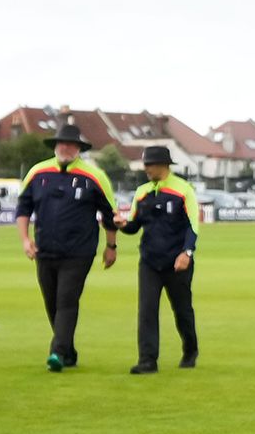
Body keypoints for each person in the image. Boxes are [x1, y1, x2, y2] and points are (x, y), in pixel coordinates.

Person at [15, 123, 118, 372]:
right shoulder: (37, 173)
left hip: (78, 251)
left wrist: (111, 246)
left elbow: (109, 215)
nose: (66, 147)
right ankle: (68, 351)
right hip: (45, 250)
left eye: (71, 144)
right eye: (62, 143)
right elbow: (23, 209)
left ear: (79, 149)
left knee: (66, 300)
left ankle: (57, 353)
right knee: (52, 302)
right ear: (55, 146)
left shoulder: (95, 176)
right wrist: (25, 240)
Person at [117, 146, 199, 374]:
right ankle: (147, 360)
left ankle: (190, 350)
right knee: (147, 311)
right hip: (149, 261)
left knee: (182, 310)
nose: (146, 169)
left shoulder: (183, 190)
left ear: (163, 165)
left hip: (177, 261)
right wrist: (123, 225)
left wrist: (187, 253)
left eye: (149, 165)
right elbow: (134, 226)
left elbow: (193, 226)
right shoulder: (142, 192)